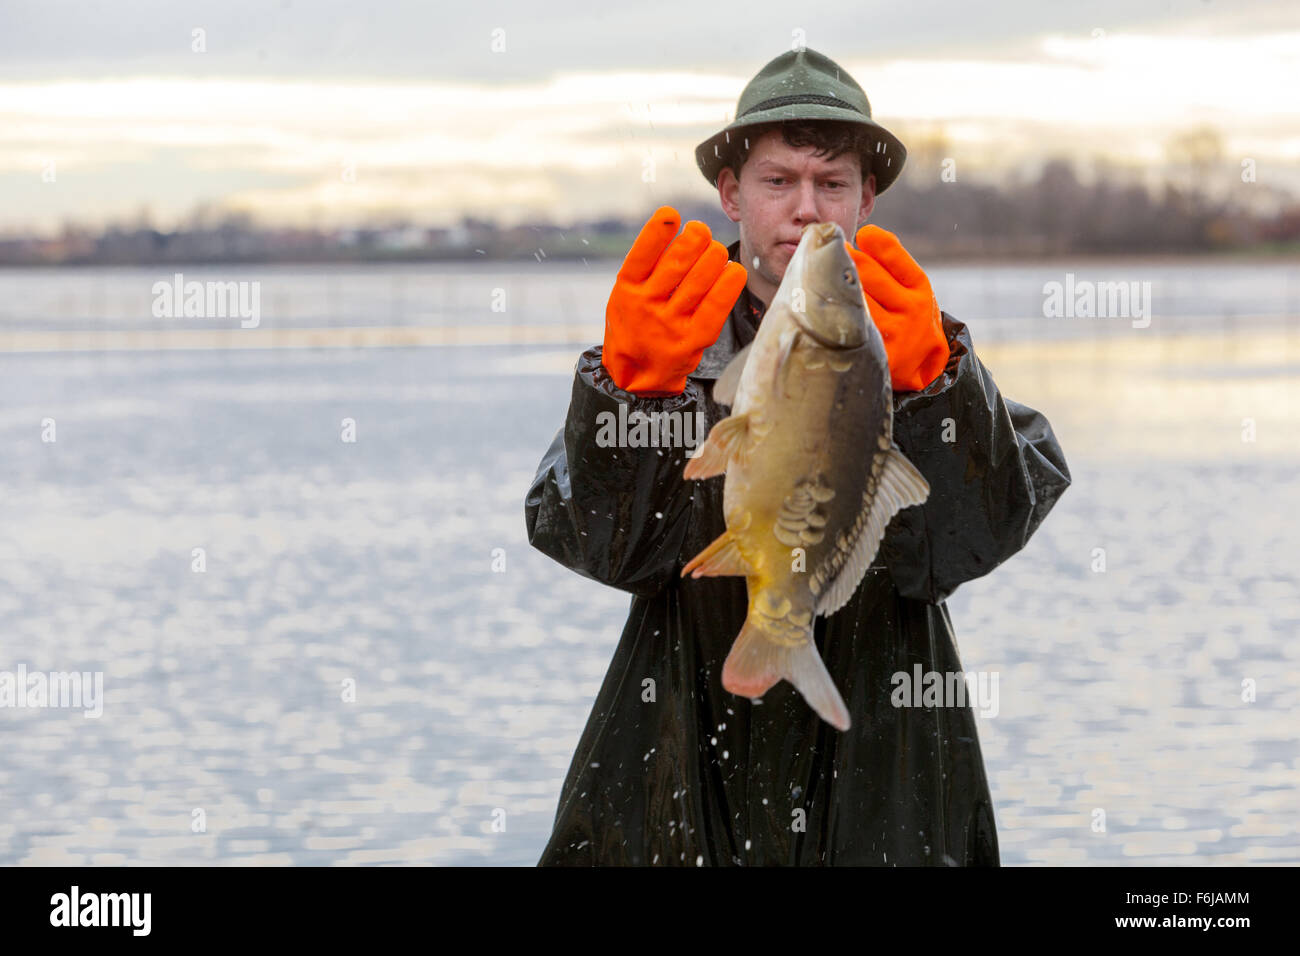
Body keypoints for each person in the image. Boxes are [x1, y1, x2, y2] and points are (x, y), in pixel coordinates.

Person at [524, 47, 1071, 865]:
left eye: (833, 184)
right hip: (678, 779)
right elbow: (595, 541)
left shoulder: (923, 360)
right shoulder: (670, 361)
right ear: (731, 195)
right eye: (778, 182)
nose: (805, 209)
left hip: (887, 787)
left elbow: (963, 543)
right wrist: (628, 395)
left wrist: (937, 391)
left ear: (866, 200)